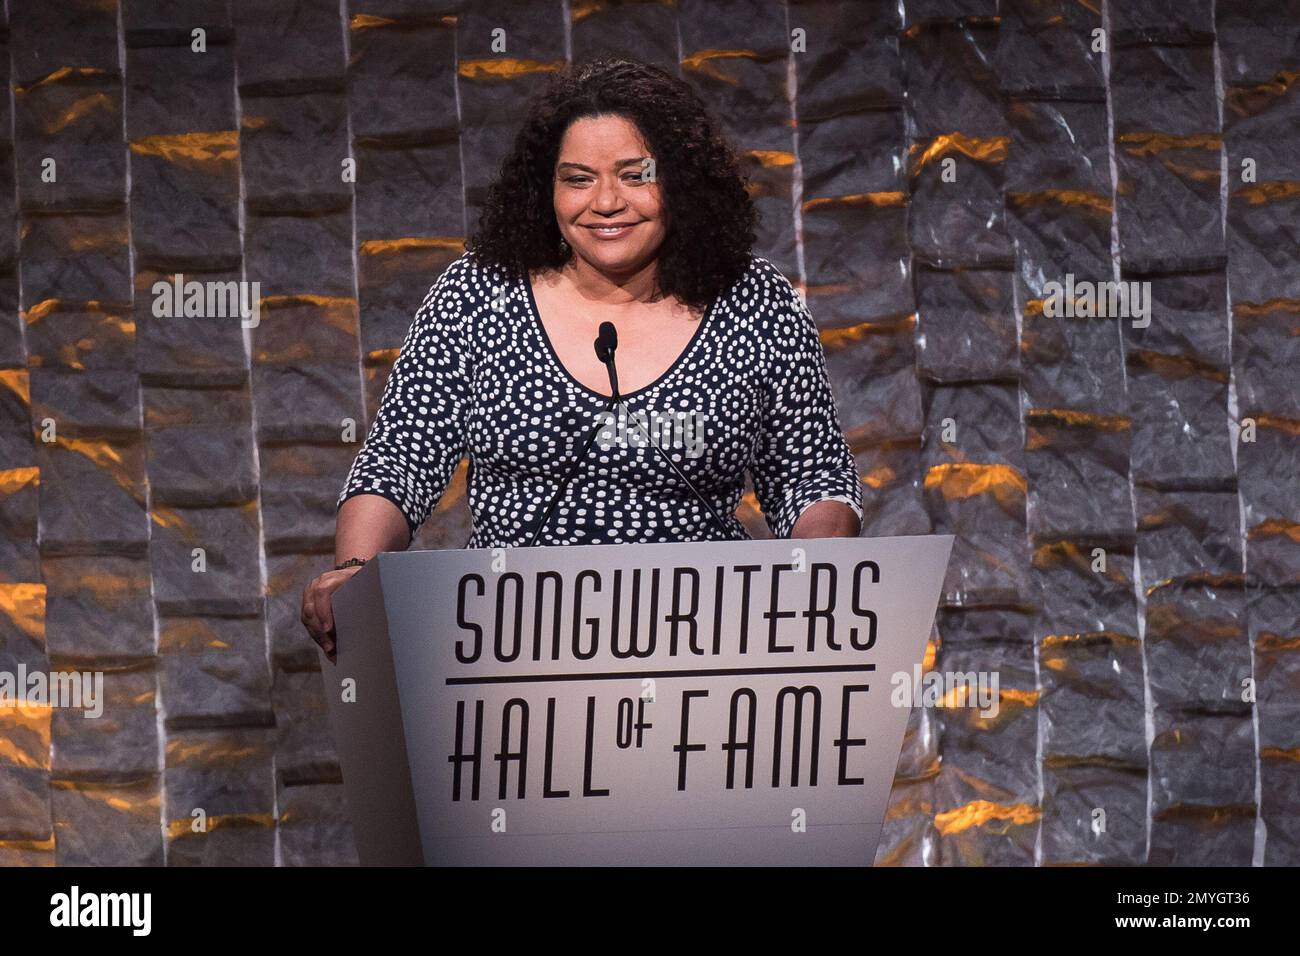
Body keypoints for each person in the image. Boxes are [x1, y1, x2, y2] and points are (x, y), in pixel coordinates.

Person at [303, 57, 863, 662]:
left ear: (680, 180)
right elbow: (399, 458)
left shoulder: (753, 299)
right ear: (546, 190)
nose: (606, 202)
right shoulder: (478, 295)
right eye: (577, 179)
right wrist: (355, 570)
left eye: (634, 175)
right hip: (510, 649)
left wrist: (818, 585)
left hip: (707, 648)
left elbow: (813, 474)